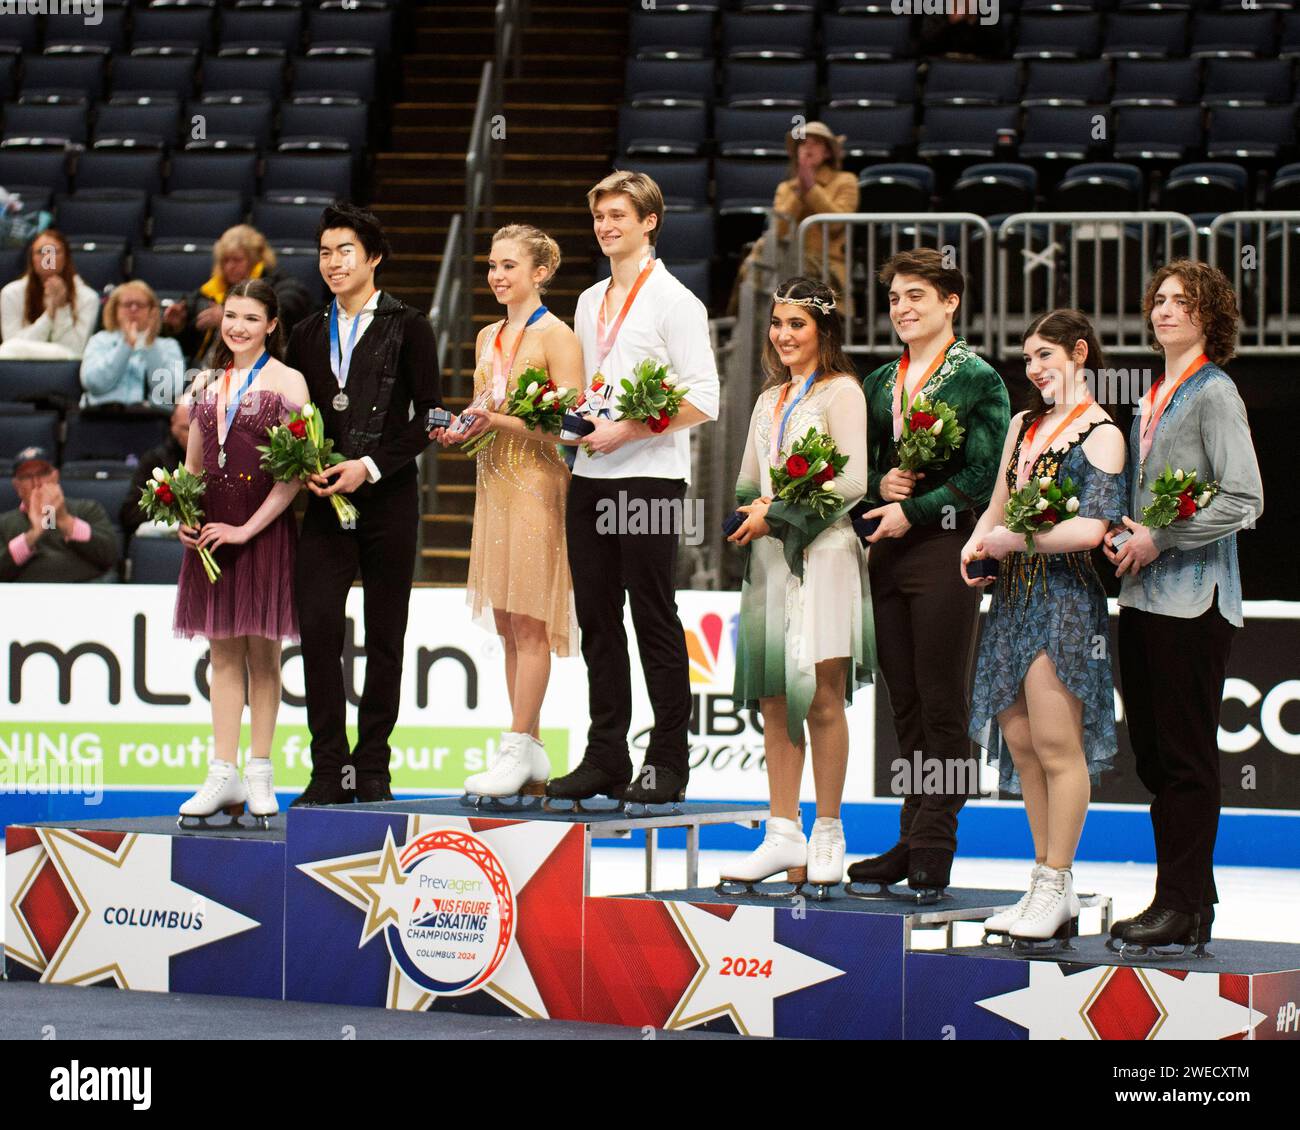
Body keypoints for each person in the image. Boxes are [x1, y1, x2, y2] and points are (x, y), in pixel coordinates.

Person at [1102, 261, 1264, 953]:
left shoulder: (1214, 392)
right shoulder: (1155, 392)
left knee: (1187, 758)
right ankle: (1193, 895)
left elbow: (1244, 499)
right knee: (1155, 757)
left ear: (1210, 315)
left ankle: (1179, 904)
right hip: (1143, 597)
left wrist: (1161, 535)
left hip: (1194, 602)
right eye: (1159, 299)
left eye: (1182, 302)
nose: (1165, 310)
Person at [547, 170, 720, 807]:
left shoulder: (677, 301)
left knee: (651, 616)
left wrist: (628, 429)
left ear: (649, 222)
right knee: (596, 619)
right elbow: (593, 386)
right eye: (599, 217)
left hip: (649, 477)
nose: (606, 226)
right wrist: (572, 423)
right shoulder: (589, 300)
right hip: (589, 475)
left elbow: (705, 398)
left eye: (619, 215)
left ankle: (669, 759)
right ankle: (605, 755)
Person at [962, 310, 1127, 943]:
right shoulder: (1024, 424)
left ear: (1079, 353)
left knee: (1058, 746)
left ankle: (1060, 883)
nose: (1034, 369)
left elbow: (1093, 529)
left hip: (1063, 600)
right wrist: (976, 545)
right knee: (1023, 742)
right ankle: (1041, 882)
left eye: (1045, 356)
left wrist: (1012, 541)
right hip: (1010, 598)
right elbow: (998, 505)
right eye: (1028, 359)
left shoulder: (1101, 431)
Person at [849, 248, 1010, 897]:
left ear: (950, 302)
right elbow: (856, 467)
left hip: (946, 550)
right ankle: (911, 831)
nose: (902, 307)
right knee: (906, 703)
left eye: (916, 295)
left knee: (943, 702)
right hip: (887, 550)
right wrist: (877, 486)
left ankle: (936, 842)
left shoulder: (977, 379)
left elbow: (983, 473)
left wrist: (910, 509)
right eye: (894, 298)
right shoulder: (879, 380)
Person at [719, 277, 874, 894]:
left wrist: (776, 512)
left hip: (827, 554)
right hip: (771, 562)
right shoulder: (766, 400)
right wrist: (746, 515)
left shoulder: (843, 393)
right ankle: (782, 831)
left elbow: (854, 481)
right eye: (777, 324)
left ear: (824, 332)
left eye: (797, 325)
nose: (784, 335)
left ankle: (829, 831)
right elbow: (745, 480)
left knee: (823, 697)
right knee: (775, 699)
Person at [287, 201, 442, 807]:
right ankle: (329, 769)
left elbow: (429, 418)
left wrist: (370, 467)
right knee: (318, 628)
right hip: (324, 503)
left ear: (373, 257)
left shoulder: (411, 325)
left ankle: (371, 765)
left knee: (385, 633)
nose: (332, 262)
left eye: (345, 250)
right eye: (325, 252)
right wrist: (302, 467)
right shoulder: (304, 332)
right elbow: (295, 418)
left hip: (388, 500)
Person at [432, 224, 580, 799]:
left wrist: (496, 422)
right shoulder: (488, 334)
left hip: (538, 481)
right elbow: (485, 404)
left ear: (539, 272)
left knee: (529, 620)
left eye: (509, 266)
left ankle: (516, 742)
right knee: (504, 620)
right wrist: (463, 425)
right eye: (492, 265)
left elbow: (570, 425)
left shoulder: (558, 337)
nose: (496, 275)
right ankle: (530, 749)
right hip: (492, 482)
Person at [174, 279, 309, 827]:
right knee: (222, 655)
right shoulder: (206, 382)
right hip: (211, 538)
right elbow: (193, 467)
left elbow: (295, 472)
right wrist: (184, 519)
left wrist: (246, 529)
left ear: (271, 325)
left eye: (251, 318)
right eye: (231, 316)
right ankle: (221, 769)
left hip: (262, 533)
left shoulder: (289, 381)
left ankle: (259, 770)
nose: (238, 327)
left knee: (263, 655)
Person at [731, 123, 860, 314]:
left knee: (777, 269)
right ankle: (743, 331)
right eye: (803, 143)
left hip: (824, 263)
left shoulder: (846, 181)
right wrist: (800, 190)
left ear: (827, 152)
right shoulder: (786, 188)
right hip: (781, 260)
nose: (808, 147)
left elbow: (836, 224)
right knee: (754, 268)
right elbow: (780, 229)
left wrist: (811, 189)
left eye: (815, 143)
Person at [163, 224, 311, 368]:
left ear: (255, 260)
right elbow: (188, 346)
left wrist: (231, 317)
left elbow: (288, 309)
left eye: (237, 260)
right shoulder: (209, 291)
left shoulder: (279, 284)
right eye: (225, 260)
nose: (230, 266)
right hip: (205, 372)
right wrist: (177, 327)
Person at [0, 445, 118, 582]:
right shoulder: (4, 523)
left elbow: (110, 556)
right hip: (27, 598)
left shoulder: (88, 509)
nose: (36, 483)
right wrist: (33, 535)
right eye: (27, 477)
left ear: (55, 476)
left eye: (43, 473)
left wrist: (65, 521)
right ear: (17, 486)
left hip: (85, 594)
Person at [80, 281, 185, 407]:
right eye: (127, 304)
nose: (134, 309)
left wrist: (149, 345)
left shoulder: (169, 346)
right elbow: (94, 383)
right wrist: (126, 345)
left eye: (140, 305)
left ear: (152, 311)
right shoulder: (99, 340)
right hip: (103, 416)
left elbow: (169, 393)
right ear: (115, 310)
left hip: (150, 419)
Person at [0, 229, 99, 359]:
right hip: (20, 369)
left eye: (54, 252)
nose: (48, 259)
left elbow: (74, 350)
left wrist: (62, 307)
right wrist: (50, 314)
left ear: (66, 257)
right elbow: (10, 348)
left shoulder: (88, 297)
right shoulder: (11, 293)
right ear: (32, 259)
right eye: (41, 252)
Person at [121, 400, 190, 546]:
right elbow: (130, 515)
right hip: (168, 543)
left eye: (198, 430)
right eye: (186, 429)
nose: (192, 437)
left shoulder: (216, 462)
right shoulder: (154, 461)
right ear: (173, 423)